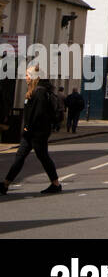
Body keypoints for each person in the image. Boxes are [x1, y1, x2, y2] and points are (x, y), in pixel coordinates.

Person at [1, 67, 62, 195]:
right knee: (20, 157)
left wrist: (27, 127)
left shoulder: (39, 92)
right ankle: (5, 184)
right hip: (32, 133)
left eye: (28, 75)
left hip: (37, 133)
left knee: (43, 157)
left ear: (34, 76)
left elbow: (38, 114)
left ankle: (56, 184)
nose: (26, 77)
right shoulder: (34, 90)